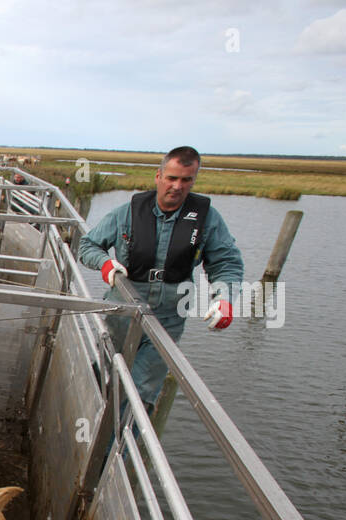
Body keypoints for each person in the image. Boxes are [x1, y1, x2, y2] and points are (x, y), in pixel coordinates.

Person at [78, 146, 243, 414]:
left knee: (141, 394)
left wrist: (224, 299)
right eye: (172, 178)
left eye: (186, 180)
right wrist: (105, 263)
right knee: (103, 372)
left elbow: (227, 263)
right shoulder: (127, 212)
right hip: (122, 311)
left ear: (194, 180)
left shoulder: (207, 219)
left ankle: (113, 451)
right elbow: (87, 246)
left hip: (167, 319)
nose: (177, 186)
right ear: (159, 176)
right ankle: (86, 423)